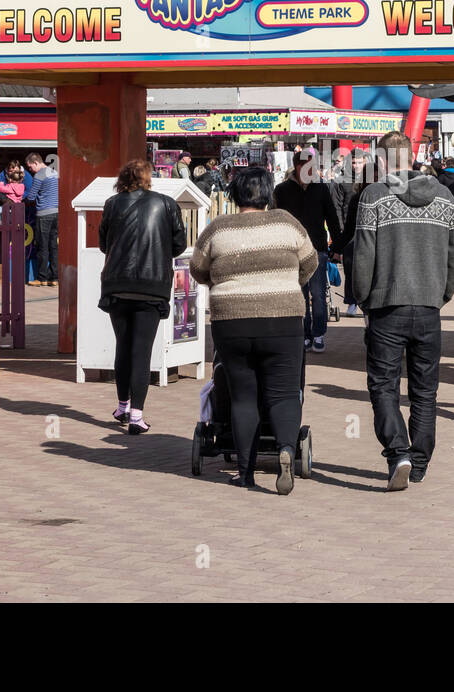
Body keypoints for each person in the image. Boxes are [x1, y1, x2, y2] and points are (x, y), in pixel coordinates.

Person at [350, 130, 454, 490]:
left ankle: (397, 450)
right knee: (425, 389)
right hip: (429, 308)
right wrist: (440, 295)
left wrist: (363, 298)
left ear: (382, 160)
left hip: (386, 307)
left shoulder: (373, 196)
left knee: (383, 385)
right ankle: (419, 461)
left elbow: (363, 256)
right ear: (412, 156)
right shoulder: (445, 197)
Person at [190, 167, 316, 494]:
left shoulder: (218, 228)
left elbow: (198, 269)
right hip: (283, 318)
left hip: (232, 321)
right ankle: (287, 449)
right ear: (267, 194)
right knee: (285, 393)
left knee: (242, 397)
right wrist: (288, 282)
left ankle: (244, 473)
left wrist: (224, 283)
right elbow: (310, 262)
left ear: (234, 194)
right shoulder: (287, 223)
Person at [98, 159, 186, 435]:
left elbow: (104, 244)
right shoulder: (166, 203)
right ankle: (137, 414)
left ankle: (123, 405)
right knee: (141, 351)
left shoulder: (112, 204)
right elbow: (178, 244)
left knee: (122, 346)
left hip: (117, 285)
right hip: (151, 286)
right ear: (148, 178)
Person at [273, 148, 340, 353]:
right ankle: (305, 334)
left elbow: (332, 218)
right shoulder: (282, 190)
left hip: (317, 248)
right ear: (298, 166)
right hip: (291, 250)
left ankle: (318, 333)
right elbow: (275, 219)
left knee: (318, 294)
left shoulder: (321, 189)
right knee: (299, 295)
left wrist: (336, 246)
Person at [329, 148, 371, 317]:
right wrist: (339, 231)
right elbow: (336, 207)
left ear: (365, 163)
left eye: (360, 162)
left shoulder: (371, 181)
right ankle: (352, 302)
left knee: (369, 268)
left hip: (368, 230)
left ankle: (367, 303)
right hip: (348, 232)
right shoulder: (341, 182)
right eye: (354, 162)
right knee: (350, 269)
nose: (356, 165)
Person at [23, 153, 60, 287]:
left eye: (30, 167)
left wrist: (23, 200)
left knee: (42, 247)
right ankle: (54, 278)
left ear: (36, 162)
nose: (30, 170)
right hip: (56, 213)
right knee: (53, 246)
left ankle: (42, 278)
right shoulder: (54, 172)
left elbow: (31, 197)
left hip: (44, 214)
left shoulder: (39, 175)